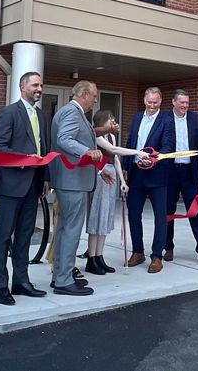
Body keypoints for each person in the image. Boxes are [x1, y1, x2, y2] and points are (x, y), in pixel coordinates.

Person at [0, 72, 50, 306]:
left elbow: (44, 148)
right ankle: (1, 286)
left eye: (41, 85)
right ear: (22, 87)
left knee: (25, 235)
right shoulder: (9, 113)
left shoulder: (41, 115)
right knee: (4, 236)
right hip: (11, 184)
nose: (39, 88)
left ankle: (21, 281)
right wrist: (24, 158)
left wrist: (45, 177)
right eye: (35, 84)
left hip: (33, 185)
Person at [48, 81, 104, 295]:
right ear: (83, 94)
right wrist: (87, 151)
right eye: (94, 95)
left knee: (63, 229)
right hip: (72, 181)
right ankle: (63, 281)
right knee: (71, 230)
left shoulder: (69, 111)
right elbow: (64, 139)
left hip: (69, 180)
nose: (96, 99)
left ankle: (61, 275)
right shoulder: (72, 112)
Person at [84, 110, 145, 274]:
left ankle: (100, 256)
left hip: (112, 176)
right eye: (110, 119)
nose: (113, 122)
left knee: (106, 217)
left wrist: (123, 181)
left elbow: (115, 158)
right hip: (101, 175)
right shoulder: (96, 136)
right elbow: (114, 150)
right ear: (102, 122)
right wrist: (137, 152)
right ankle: (92, 258)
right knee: (97, 216)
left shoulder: (110, 136)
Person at [124, 87, 175, 273]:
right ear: (144, 100)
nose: (152, 106)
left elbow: (169, 146)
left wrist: (154, 157)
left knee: (160, 216)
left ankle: (156, 256)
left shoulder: (167, 120)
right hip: (136, 173)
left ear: (160, 101)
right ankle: (138, 252)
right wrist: (124, 167)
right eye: (149, 102)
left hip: (157, 174)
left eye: (155, 102)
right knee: (133, 214)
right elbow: (130, 143)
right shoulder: (137, 117)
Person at [164, 90, 198, 263]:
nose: (185, 106)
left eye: (187, 103)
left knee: (195, 211)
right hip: (170, 172)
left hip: (190, 172)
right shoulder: (164, 118)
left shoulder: (195, 119)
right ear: (173, 102)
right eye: (181, 103)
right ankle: (168, 247)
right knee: (167, 211)